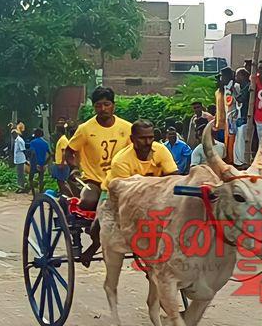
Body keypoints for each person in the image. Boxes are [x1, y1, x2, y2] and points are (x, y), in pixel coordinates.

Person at [65, 86, 132, 266]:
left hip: (122, 180)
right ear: (94, 107)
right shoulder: (85, 129)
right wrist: (74, 168)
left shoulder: (127, 128)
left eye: (106, 104)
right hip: (94, 179)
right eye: (98, 106)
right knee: (88, 202)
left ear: (113, 106)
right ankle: (95, 240)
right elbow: (70, 151)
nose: (103, 109)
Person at [105, 119, 179, 187]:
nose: (148, 142)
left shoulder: (161, 150)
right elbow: (125, 192)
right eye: (142, 138)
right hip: (117, 192)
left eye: (150, 138)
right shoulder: (120, 161)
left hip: (153, 191)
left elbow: (174, 178)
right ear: (132, 139)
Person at [218, 67, 238, 164]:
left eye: (222, 76)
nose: (221, 78)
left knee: (233, 141)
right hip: (228, 118)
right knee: (228, 141)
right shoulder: (226, 88)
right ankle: (229, 160)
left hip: (234, 118)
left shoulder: (235, 86)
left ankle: (234, 160)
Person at [232, 68, 251, 167]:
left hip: (247, 117)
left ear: (243, 76)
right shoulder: (243, 87)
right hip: (242, 117)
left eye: (237, 76)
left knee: (244, 139)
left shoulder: (248, 87)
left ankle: (244, 160)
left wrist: (233, 91)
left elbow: (241, 99)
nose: (235, 78)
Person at [51, 123, 73, 196]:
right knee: (59, 181)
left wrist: (62, 163)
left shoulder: (63, 140)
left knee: (62, 182)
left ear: (59, 131)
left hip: (62, 164)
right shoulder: (61, 139)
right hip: (59, 163)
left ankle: (69, 195)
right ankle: (63, 195)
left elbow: (64, 152)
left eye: (56, 130)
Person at [28, 128, 50, 196]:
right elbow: (50, 154)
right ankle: (40, 194)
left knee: (30, 178)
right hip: (42, 163)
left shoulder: (33, 142)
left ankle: (34, 195)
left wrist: (30, 160)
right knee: (41, 179)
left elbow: (33, 153)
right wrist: (46, 162)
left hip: (34, 163)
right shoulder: (45, 143)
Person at [13, 128, 27, 193]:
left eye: (13, 134)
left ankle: (22, 187)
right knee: (19, 174)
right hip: (18, 160)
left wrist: (26, 159)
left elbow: (23, 150)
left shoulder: (20, 140)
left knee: (21, 174)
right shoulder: (16, 140)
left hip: (21, 159)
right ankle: (19, 186)